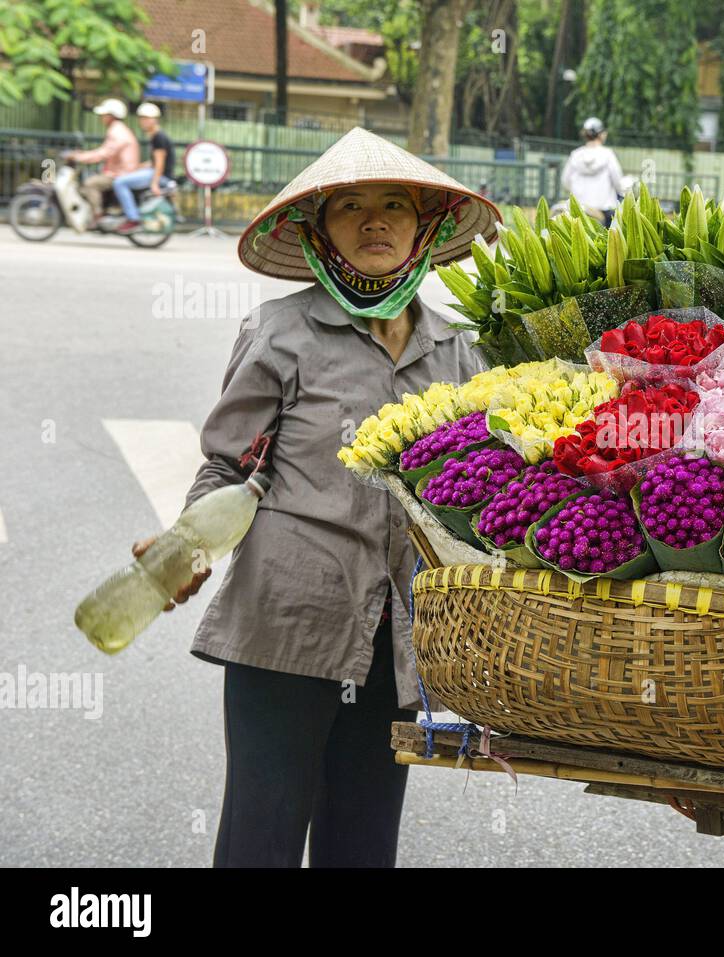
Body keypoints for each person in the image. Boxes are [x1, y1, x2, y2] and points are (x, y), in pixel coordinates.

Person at [128, 127, 501, 867]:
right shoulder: (280, 333)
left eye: (395, 204)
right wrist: (185, 543)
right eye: (350, 207)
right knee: (260, 835)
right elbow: (228, 464)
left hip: (396, 635)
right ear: (318, 230)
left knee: (362, 843)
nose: (376, 222)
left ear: (424, 226)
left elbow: (481, 493)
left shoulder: (460, 351)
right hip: (286, 623)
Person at [68, 98, 140, 222]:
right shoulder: (119, 129)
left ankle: (97, 214)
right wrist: (83, 155)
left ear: (111, 116)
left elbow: (103, 153)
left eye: (104, 115)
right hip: (118, 171)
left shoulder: (117, 132)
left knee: (90, 183)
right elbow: (104, 151)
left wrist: (79, 157)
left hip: (120, 174)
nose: (101, 117)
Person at [111, 102, 175, 234]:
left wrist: (155, 184)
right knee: (124, 177)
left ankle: (133, 219)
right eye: (141, 118)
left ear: (155, 119)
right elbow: (153, 162)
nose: (143, 122)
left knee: (119, 182)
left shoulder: (159, 137)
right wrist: (138, 167)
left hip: (161, 177)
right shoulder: (155, 136)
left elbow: (160, 163)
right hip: (155, 172)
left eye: (146, 119)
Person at [560, 116, 624, 226]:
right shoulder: (608, 155)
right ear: (601, 134)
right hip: (604, 210)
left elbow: (565, 181)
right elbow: (618, 182)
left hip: (579, 209)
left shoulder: (576, 155)